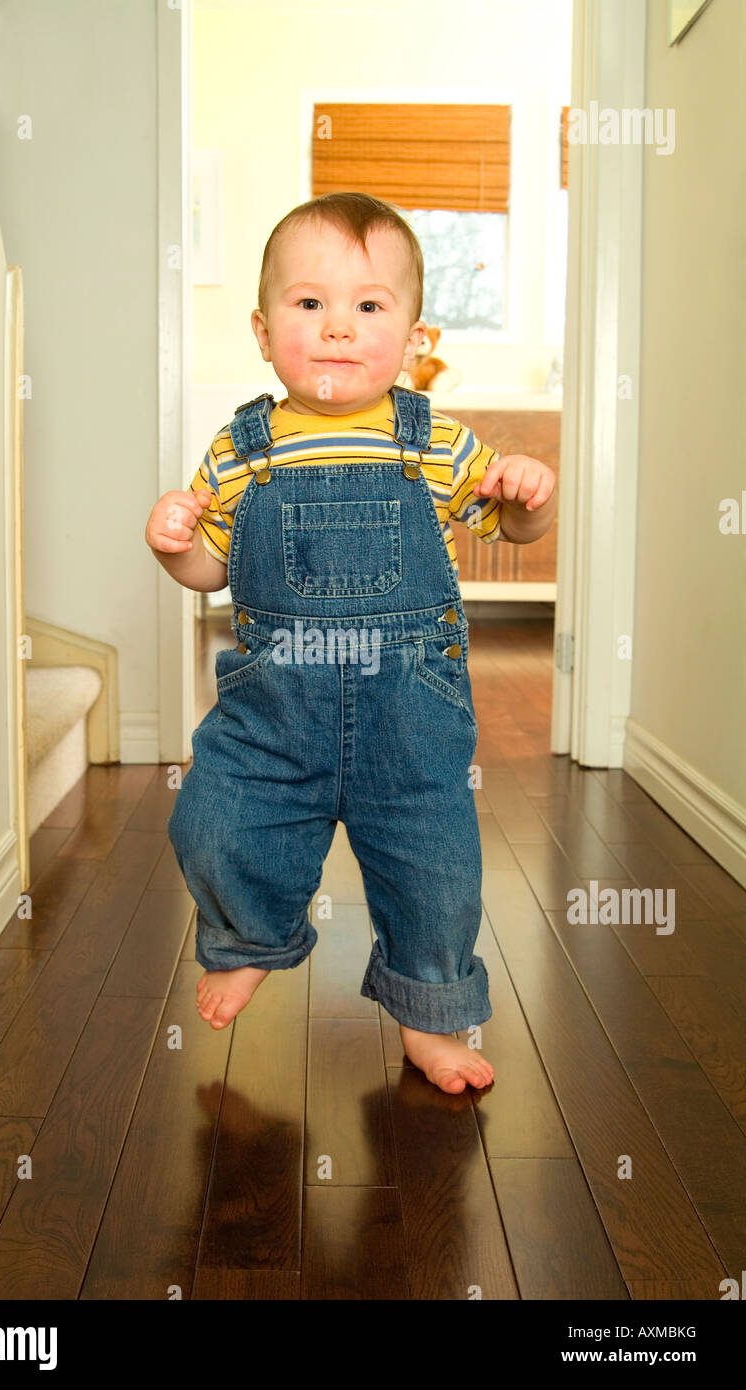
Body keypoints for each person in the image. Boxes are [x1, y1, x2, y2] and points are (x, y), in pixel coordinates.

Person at [145, 192, 557, 1094]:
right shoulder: (242, 449)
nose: (338, 329)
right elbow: (211, 572)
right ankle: (250, 937)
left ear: (414, 338)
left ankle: (431, 1015)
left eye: (369, 307)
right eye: (309, 305)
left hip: (409, 720)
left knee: (435, 871)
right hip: (271, 713)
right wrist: (174, 541)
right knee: (211, 819)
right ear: (263, 331)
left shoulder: (436, 442)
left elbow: (506, 532)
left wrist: (529, 501)